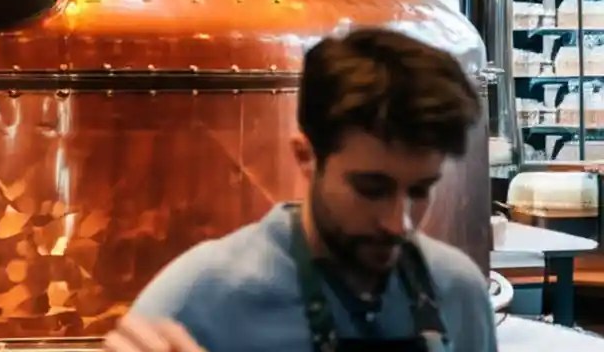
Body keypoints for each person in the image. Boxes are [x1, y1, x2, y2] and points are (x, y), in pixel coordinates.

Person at [106, 28, 497, 352]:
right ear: (307, 156)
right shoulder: (202, 297)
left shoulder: (458, 290)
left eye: (420, 190)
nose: (399, 224)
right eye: (371, 189)